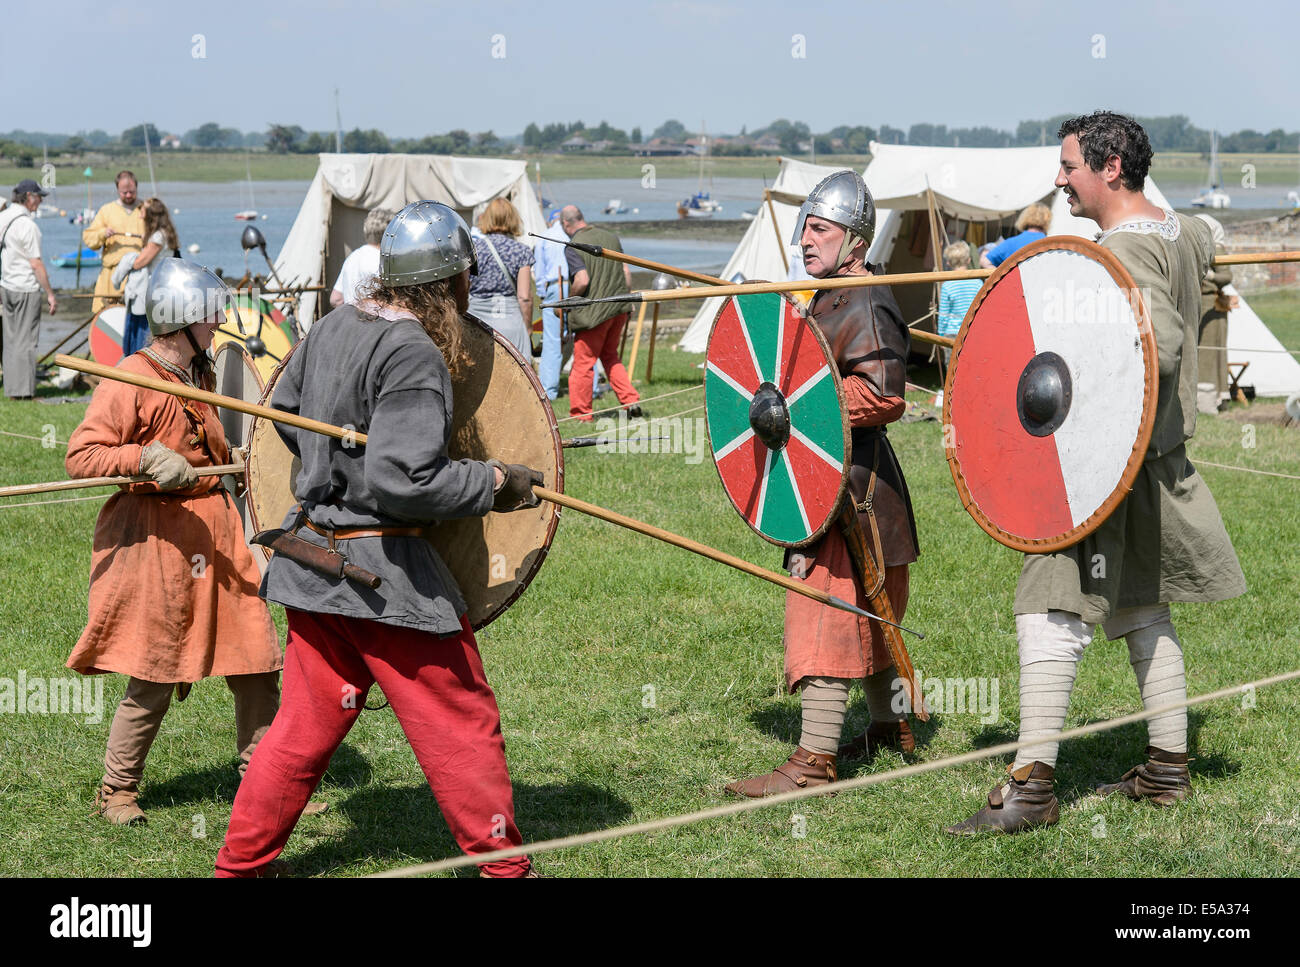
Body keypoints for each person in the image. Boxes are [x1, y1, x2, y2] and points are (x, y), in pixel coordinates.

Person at [216, 201, 542, 878]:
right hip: (385, 580)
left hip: (317, 565)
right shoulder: (415, 351)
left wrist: (325, 463)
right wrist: (495, 482)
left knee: (300, 731)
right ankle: (506, 871)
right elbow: (404, 480)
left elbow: (279, 408)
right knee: (461, 722)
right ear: (453, 286)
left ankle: (239, 867)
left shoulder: (336, 324)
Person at [947, 112, 1247, 836]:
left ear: (1111, 169)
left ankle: (1031, 786)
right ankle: (1169, 766)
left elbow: (1158, 351)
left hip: (1102, 463)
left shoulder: (1127, 250)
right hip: (1155, 458)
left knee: (1047, 600)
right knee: (1142, 602)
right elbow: (1209, 233)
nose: (1060, 178)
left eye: (1070, 165)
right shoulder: (1174, 231)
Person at [65, 258, 282, 825]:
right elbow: (81, 455)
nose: (218, 326)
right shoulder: (130, 377)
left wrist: (229, 461)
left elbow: (205, 445)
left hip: (217, 534)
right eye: (211, 316)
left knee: (257, 660)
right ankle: (117, 791)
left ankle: (263, 779)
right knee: (156, 667)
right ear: (185, 320)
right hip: (159, 540)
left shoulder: (199, 376)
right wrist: (144, 457)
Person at [724, 171, 919, 798]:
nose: (805, 239)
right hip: (837, 483)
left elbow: (884, 394)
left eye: (820, 229)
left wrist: (802, 409)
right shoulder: (832, 293)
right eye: (806, 226)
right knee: (869, 614)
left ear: (855, 241)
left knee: (824, 615)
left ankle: (813, 760)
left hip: (849, 493)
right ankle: (889, 726)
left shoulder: (861, 296)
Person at [560, 205, 642, 422]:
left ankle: (581, 414)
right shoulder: (611, 238)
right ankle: (631, 400)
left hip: (594, 314)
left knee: (583, 364)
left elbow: (582, 280)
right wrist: (628, 298)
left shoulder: (573, 246)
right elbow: (625, 272)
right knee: (610, 356)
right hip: (618, 308)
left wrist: (566, 302)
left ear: (565, 224)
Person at [0, 179, 58, 399]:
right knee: (27, 341)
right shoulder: (28, 225)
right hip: (25, 287)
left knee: (11, 340)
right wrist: (50, 294)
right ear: (29, 197)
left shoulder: (3, 217)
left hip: (6, 286)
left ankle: (13, 389)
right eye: (39, 196)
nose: (41, 201)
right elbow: (36, 263)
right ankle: (26, 392)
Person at [111, 197, 180, 356]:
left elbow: (140, 262)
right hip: (156, 291)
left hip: (151, 294)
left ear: (151, 215)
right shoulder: (161, 234)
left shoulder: (157, 237)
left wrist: (128, 259)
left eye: (143, 211)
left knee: (142, 338)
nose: (140, 214)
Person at [467, 197, 534, 360]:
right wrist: (528, 328)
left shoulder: (473, 250)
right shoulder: (521, 251)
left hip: (477, 322)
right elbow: (524, 297)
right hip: (509, 320)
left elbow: (463, 287)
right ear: (513, 219)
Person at [82, 171, 145, 312]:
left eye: (132, 192)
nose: (128, 196)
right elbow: (89, 238)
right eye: (124, 193)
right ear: (117, 190)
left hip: (140, 276)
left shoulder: (146, 209)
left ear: (136, 188)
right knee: (106, 315)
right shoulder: (106, 211)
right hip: (111, 276)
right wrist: (102, 233)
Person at [1195, 213, 1236, 413]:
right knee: (1198, 350)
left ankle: (1210, 401)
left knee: (1209, 352)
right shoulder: (1197, 246)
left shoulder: (1216, 247)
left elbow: (1226, 275)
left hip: (1211, 305)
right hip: (1198, 302)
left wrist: (1208, 274)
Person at [533, 208, 571, 399]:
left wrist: (541, 293)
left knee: (552, 340)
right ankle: (591, 386)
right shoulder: (570, 234)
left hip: (555, 286)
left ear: (550, 221)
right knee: (580, 337)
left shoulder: (545, 237)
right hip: (573, 285)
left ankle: (549, 390)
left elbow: (539, 270)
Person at [330, 207, 395, 309]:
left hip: (351, 321)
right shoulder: (383, 261)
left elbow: (335, 299)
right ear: (389, 233)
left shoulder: (352, 257)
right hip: (376, 322)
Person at [937, 240, 980, 363]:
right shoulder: (977, 283)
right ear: (968, 260)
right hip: (972, 332)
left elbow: (943, 315)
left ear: (949, 263)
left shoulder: (947, 286)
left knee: (952, 368)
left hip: (951, 334)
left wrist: (940, 337)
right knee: (971, 364)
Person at [980, 202, 1051, 268]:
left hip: (1017, 281)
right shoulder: (1052, 245)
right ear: (1047, 220)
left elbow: (984, 261)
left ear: (1025, 218)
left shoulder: (1011, 243)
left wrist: (1004, 278)